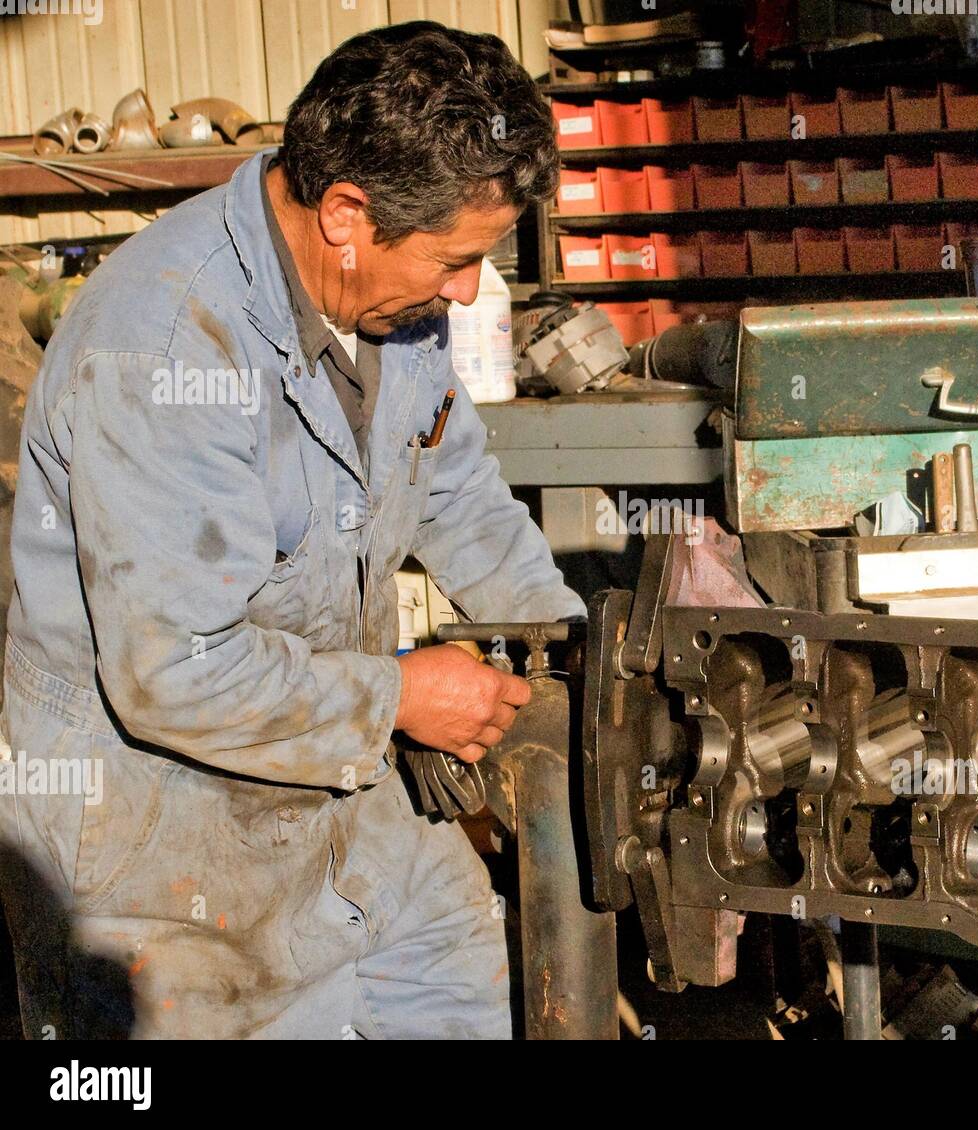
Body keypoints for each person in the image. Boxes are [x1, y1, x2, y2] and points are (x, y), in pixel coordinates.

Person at [0, 20, 582, 1039]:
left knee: (469, 982)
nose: (468, 290)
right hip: (160, 836)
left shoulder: (392, 305)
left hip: (348, 802)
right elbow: (172, 672)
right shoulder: (169, 344)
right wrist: (404, 692)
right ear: (346, 214)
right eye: (456, 259)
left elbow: (457, 488)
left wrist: (566, 660)